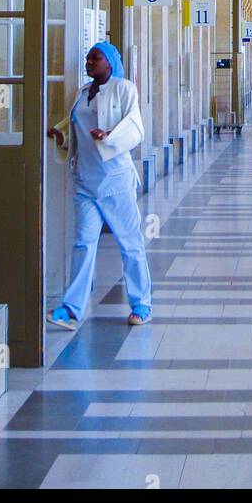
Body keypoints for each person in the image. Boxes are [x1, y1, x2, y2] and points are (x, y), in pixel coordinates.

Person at [45, 42, 152, 329]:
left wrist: (109, 136)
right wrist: (61, 136)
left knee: (130, 244)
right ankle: (72, 308)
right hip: (84, 181)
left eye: (96, 57)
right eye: (88, 57)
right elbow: (75, 130)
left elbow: (134, 127)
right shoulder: (82, 93)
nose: (89, 61)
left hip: (115, 180)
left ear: (110, 62)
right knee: (83, 244)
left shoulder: (124, 88)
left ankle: (141, 303)